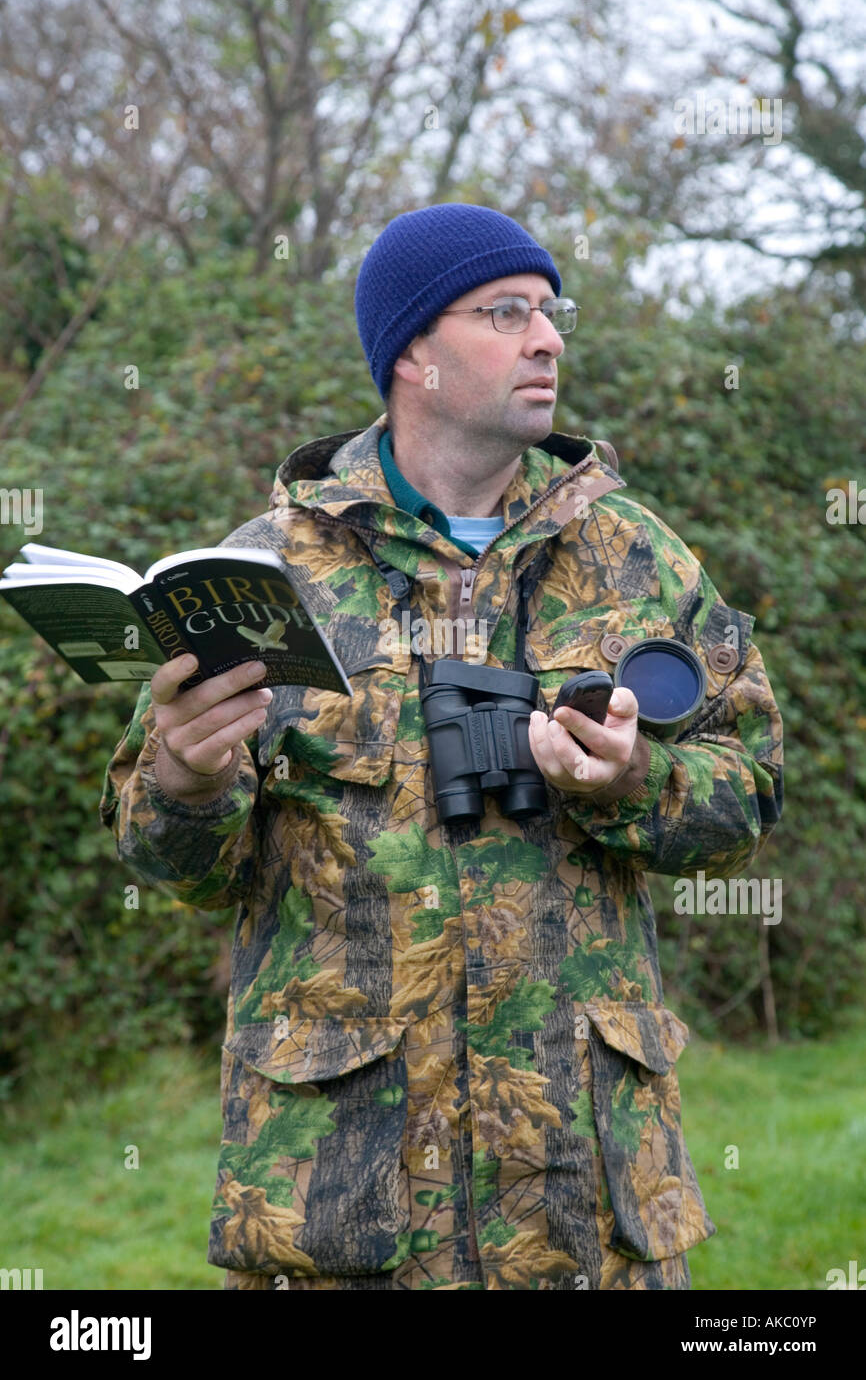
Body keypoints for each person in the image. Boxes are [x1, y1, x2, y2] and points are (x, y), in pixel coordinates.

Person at [99, 203, 784, 1291]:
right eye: (504, 313)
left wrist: (633, 780)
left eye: (549, 311)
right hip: (343, 1212)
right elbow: (171, 865)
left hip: (584, 1201)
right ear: (412, 352)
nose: (547, 337)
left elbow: (748, 784)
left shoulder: (632, 555)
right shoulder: (265, 573)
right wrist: (185, 781)